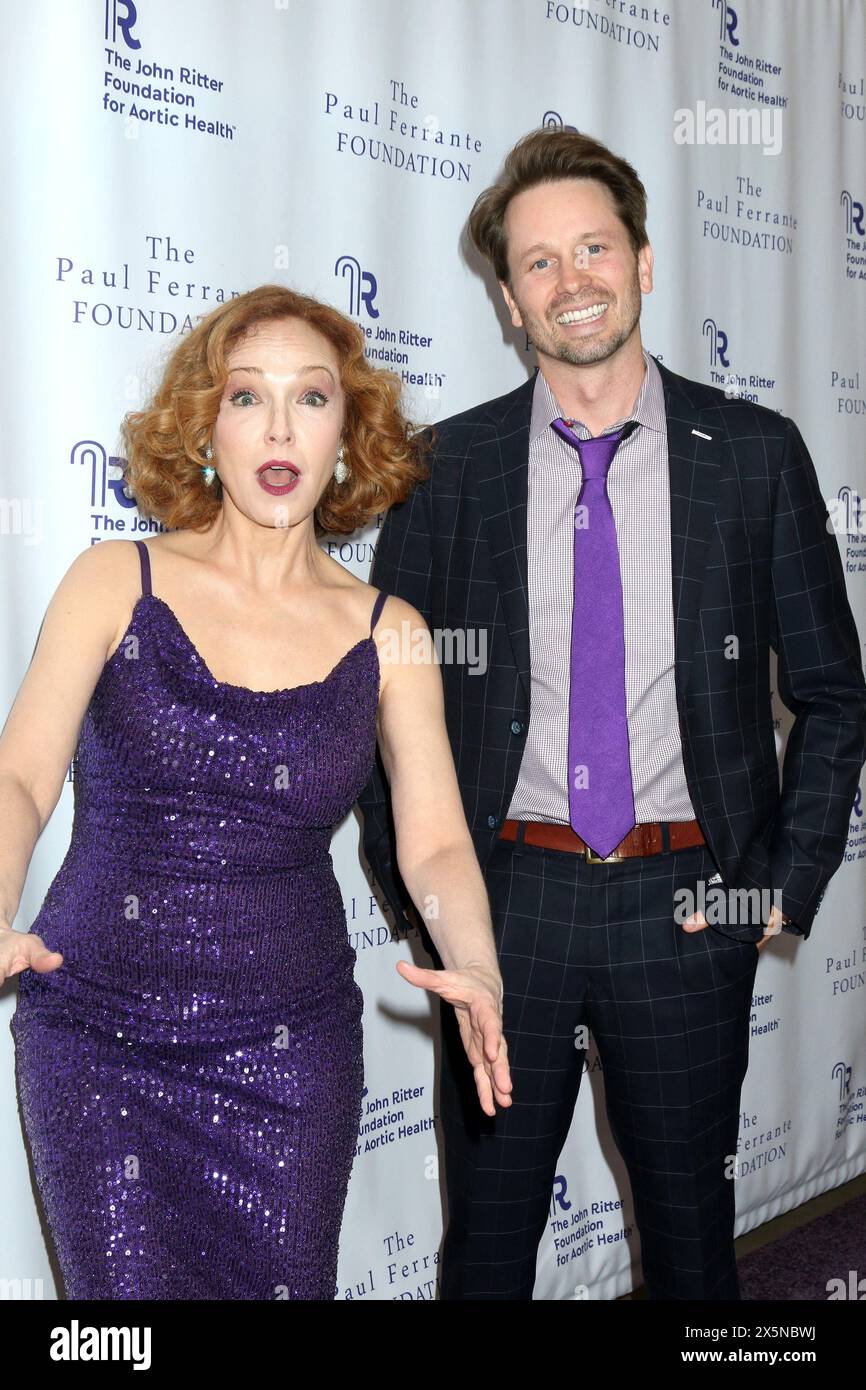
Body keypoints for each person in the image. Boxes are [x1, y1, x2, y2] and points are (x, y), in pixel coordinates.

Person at [357, 128, 866, 1300]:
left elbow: (833, 697)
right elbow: (386, 716)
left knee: (694, 1246)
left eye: (592, 247)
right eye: (537, 262)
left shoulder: (749, 457)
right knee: (483, 1249)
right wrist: (441, 910)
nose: (568, 279)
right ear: (504, 296)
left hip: (686, 902)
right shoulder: (446, 473)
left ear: (643, 262)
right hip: (505, 911)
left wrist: (772, 891)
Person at [1, 284, 511, 1300]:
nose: (279, 426)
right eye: (247, 398)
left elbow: (436, 845)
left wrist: (479, 968)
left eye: (311, 399)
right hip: (99, 1038)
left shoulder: (389, 631)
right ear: (205, 427)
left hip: (291, 1055)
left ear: (348, 434)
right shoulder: (115, 580)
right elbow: (21, 775)